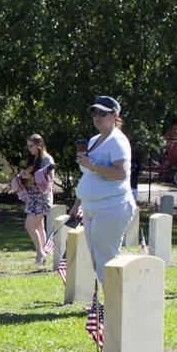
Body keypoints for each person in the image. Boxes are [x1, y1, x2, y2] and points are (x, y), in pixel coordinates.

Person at [71, 95, 135, 286]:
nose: (97, 116)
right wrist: (77, 203)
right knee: (96, 259)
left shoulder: (117, 141)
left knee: (107, 259)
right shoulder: (94, 140)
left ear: (115, 116)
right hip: (92, 207)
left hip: (112, 207)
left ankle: (116, 306)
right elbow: (89, 176)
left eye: (103, 113)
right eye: (95, 112)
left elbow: (121, 173)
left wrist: (92, 165)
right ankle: (109, 304)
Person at [11, 134, 55, 265]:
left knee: (29, 225)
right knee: (38, 226)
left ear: (39, 145)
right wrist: (22, 177)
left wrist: (29, 177)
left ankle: (40, 253)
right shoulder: (35, 159)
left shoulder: (47, 159)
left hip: (41, 197)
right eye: (28, 146)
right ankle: (42, 254)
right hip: (33, 196)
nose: (29, 149)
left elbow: (49, 179)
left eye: (32, 146)